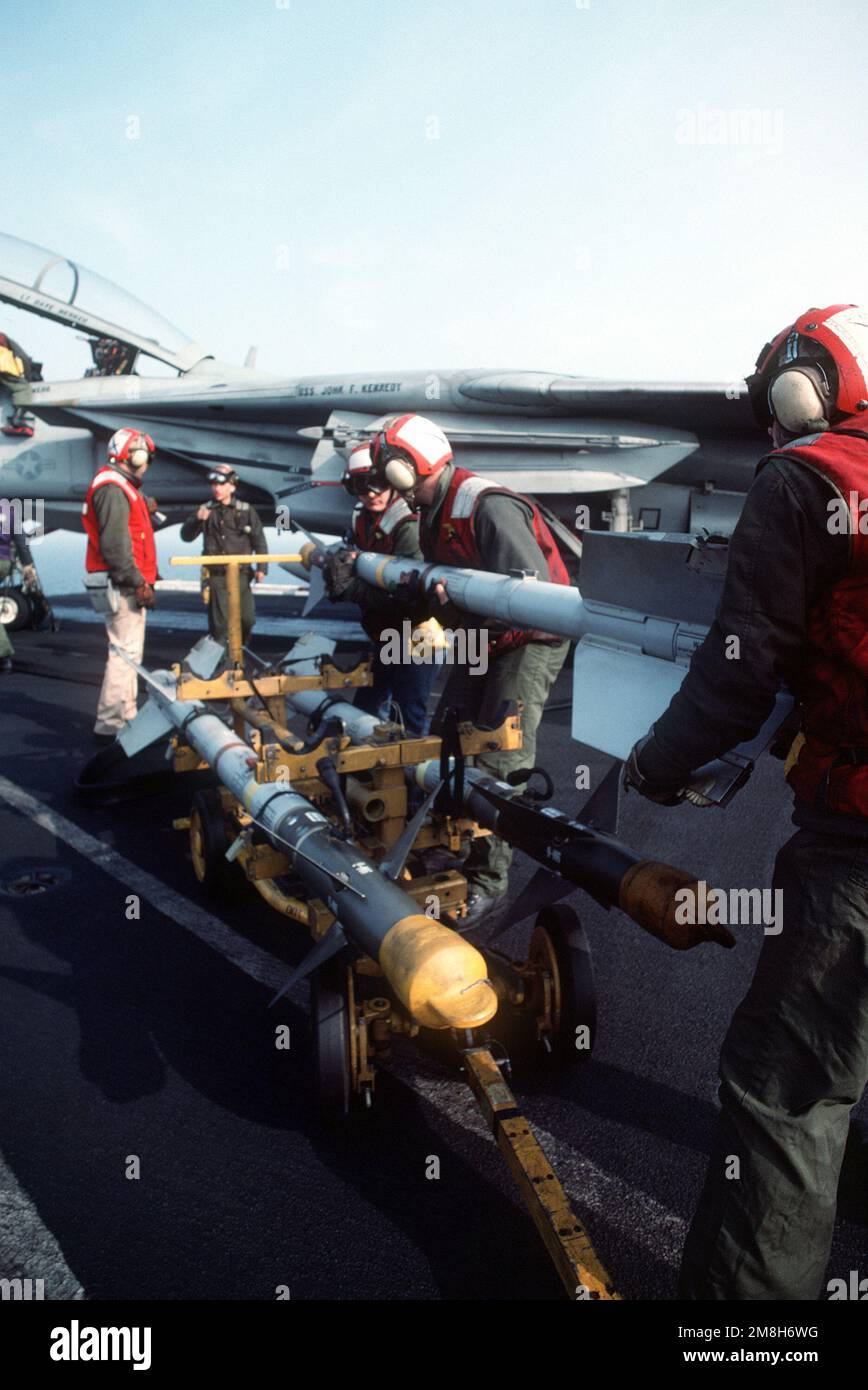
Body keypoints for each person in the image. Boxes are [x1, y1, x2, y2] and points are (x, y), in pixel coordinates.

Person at [624, 303, 868, 1300]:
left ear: (802, 384)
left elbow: (736, 670)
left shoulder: (804, 476)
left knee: (784, 1092)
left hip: (857, 833)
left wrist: (651, 761)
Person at [369, 412, 572, 927]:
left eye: (388, 471)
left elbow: (530, 599)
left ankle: (488, 881)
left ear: (407, 468)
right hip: (486, 633)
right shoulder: (435, 509)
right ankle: (446, 841)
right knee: (450, 735)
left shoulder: (486, 505)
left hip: (530, 640)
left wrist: (460, 611)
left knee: (501, 751)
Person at [321, 443, 439, 736]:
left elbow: (409, 598)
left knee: (408, 712)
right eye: (361, 485)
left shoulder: (408, 522)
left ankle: (414, 779)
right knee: (369, 707)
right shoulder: (361, 517)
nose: (371, 493)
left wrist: (349, 590)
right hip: (387, 633)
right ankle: (376, 772)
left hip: (420, 633)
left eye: (379, 484)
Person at [81, 428, 159, 740]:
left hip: (126, 583)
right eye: (146, 456)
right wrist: (139, 583)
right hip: (124, 585)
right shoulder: (113, 488)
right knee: (123, 655)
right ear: (135, 456)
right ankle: (111, 725)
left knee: (128, 655)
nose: (147, 463)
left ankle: (126, 717)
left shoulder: (120, 487)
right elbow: (115, 546)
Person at [180, 465, 267, 646]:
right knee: (219, 626)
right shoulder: (205, 510)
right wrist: (197, 520)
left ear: (232, 487)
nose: (217, 489)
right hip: (217, 577)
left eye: (221, 485)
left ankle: (240, 655)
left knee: (247, 619)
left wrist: (261, 568)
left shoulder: (246, 510)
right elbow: (186, 536)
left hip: (242, 576)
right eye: (214, 485)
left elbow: (259, 540)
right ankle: (221, 663)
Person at [0, 507, 37, 672]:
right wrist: (28, 565)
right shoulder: (8, 509)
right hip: (4, 563)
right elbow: (21, 541)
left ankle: (3, 656)